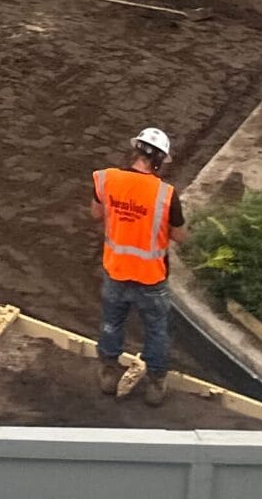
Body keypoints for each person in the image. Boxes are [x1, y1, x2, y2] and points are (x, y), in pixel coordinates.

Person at [92, 126, 182, 404]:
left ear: (134, 152)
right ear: (159, 161)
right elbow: (180, 235)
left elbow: (96, 214)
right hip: (151, 278)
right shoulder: (166, 194)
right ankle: (155, 385)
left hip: (116, 271)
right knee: (156, 330)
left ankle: (108, 373)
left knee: (111, 323)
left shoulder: (106, 179)